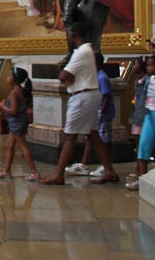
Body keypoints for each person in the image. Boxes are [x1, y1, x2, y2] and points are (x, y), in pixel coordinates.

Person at [42, 22, 118, 185]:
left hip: (82, 96)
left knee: (70, 136)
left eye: (69, 33)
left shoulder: (81, 52)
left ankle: (58, 174)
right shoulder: (86, 51)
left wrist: (67, 78)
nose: (68, 36)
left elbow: (63, 75)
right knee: (92, 134)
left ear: (74, 34)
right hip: (89, 94)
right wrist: (69, 77)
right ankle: (110, 170)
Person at [67, 52, 115, 178]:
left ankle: (106, 166)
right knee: (91, 137)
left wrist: (101, 112)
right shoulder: (95, 76)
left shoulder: (102, 77)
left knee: (104, 139)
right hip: (95, 111)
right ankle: (84, 164)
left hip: (102, 112)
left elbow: (106, 96)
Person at [0, 67, 39, 181]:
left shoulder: (14, 92)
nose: (7, 77)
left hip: (16, 122)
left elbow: (13, 110)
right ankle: (7, 170)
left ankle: (34, 172)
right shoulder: (20, 90)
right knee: (10, 145)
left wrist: (2, 106)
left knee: (22, 146)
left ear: (14, 78)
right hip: (17, 122)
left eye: (9, 75)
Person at [126, 53, 155, 190]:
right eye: (147, 65)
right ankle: (143, 177)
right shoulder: (148, 80)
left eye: (152, 65)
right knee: (143, 143)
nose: (149, 68)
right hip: (148, 113)